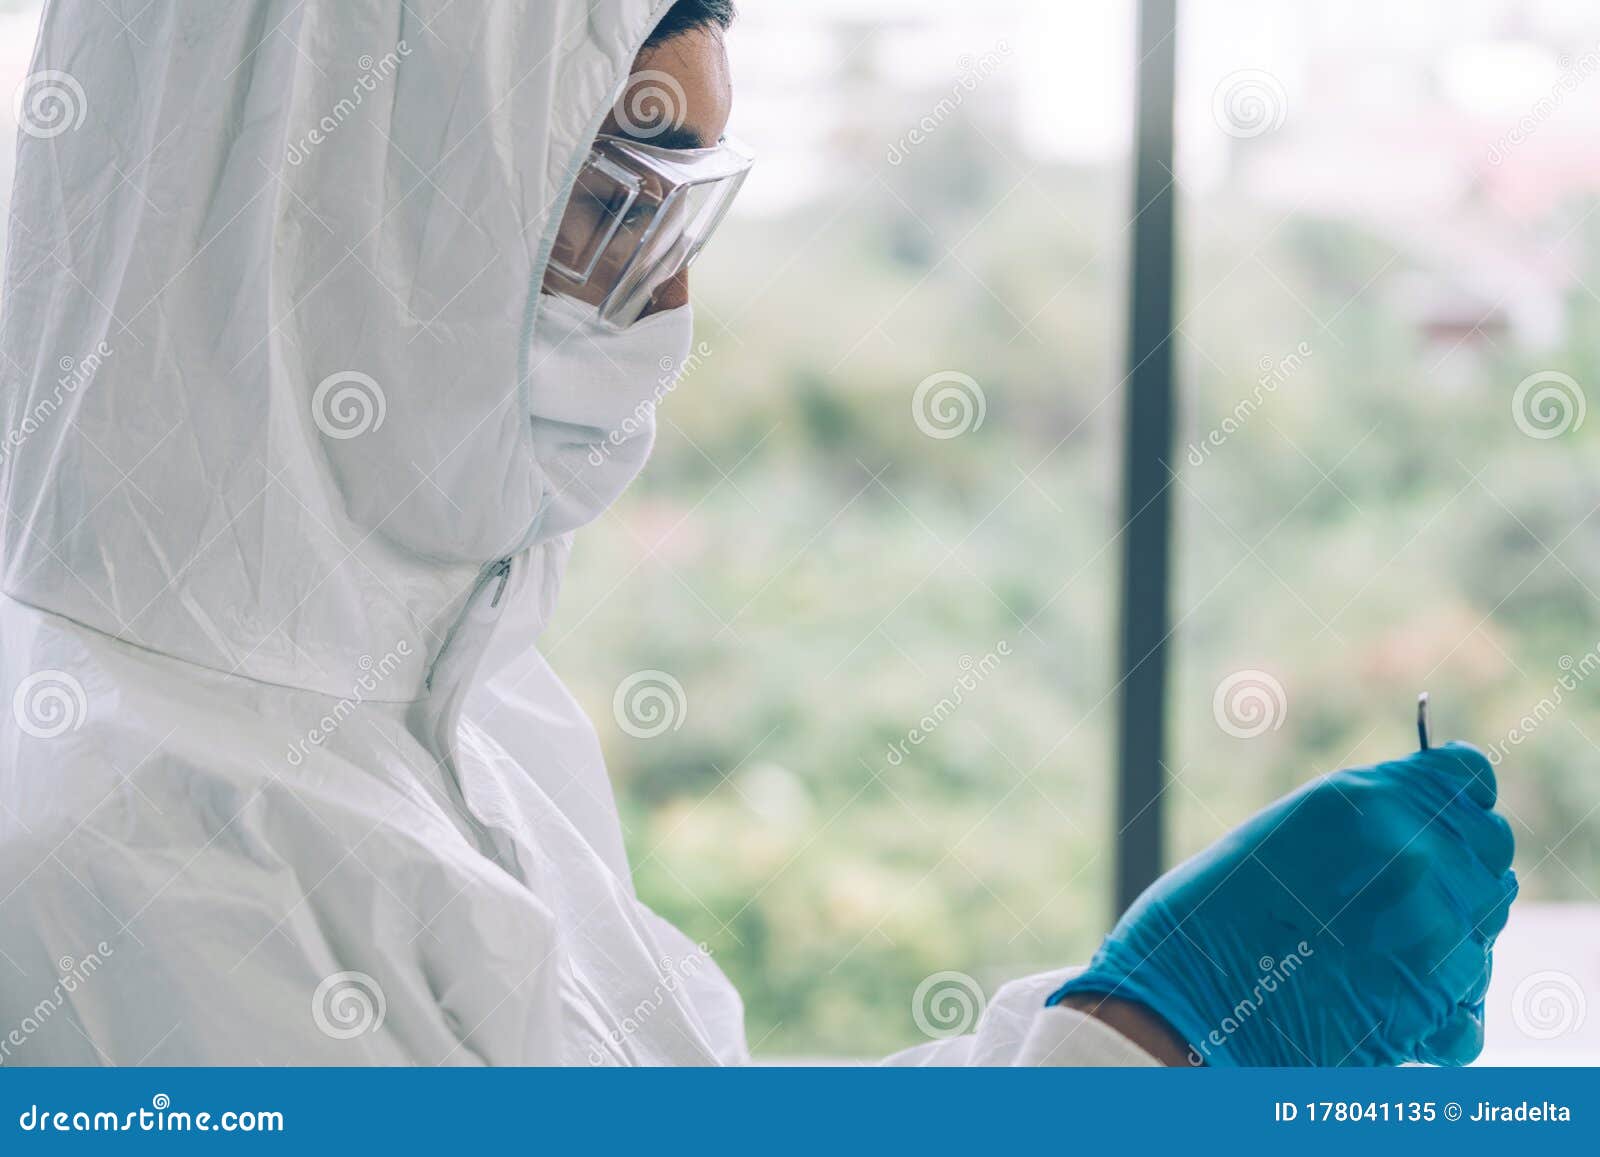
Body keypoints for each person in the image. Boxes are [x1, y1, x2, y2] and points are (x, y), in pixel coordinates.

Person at [0, 0, 1514, 1066]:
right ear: (315, 199)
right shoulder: (109, 857)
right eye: (605, 197)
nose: (661, 306)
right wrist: (1130, 1065)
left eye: (680, 209)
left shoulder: (452, 723)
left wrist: (1127, 1026)